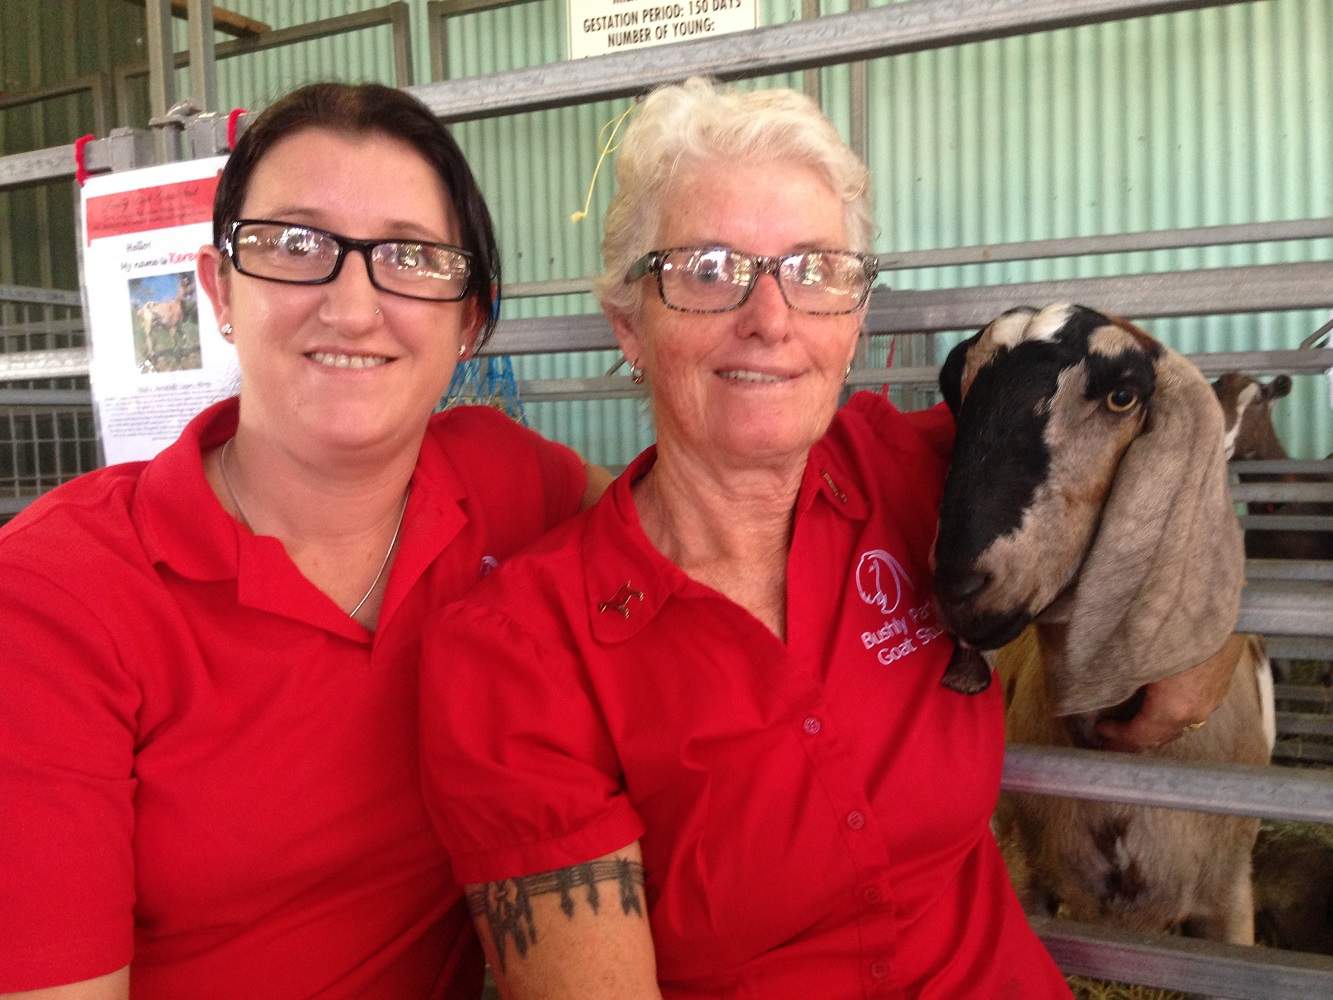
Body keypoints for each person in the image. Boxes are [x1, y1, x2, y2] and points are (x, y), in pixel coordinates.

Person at [417, 77, 1243, 998]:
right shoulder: (518, 651)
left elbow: (1143, 432)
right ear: (628, 325)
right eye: (705, 270)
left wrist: (1189, 642)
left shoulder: (933, 475)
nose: (769, 319)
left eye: (813, 271)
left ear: (852, 323)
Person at [0, 82, 609, 1000]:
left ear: (467, 324)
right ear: (219, 291)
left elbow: (697, 529)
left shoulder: (509, 485)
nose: (351, 305)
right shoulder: (57, 596)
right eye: (295, 246)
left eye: (409, 256)